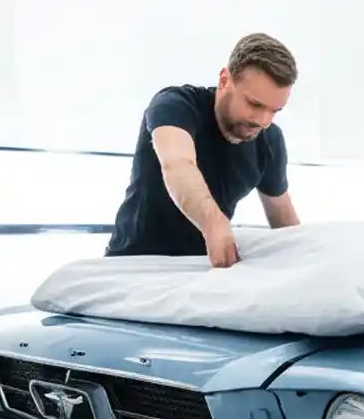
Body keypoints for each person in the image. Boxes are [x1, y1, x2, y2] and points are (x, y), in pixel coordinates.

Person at [105, 33, 301, 267]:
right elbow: (177, 165)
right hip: (133, 264)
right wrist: (215, 224)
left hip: (201, 269)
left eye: (275, 110)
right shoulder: (175, 105)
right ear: (224, 80)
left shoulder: (270, 140)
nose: (263, 120)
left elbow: (284, 219)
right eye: (255, 104)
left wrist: (308, 257)